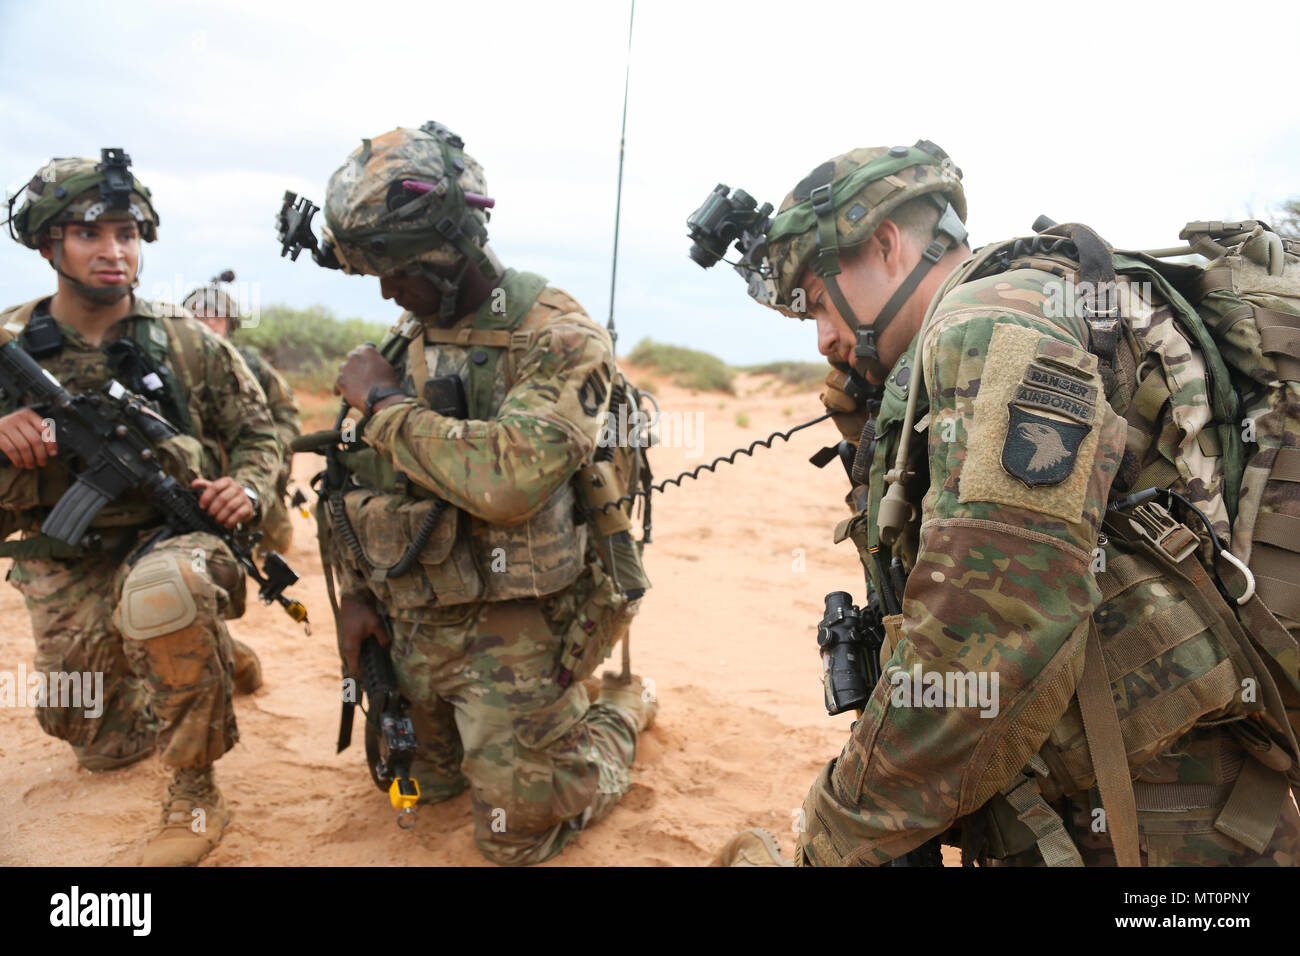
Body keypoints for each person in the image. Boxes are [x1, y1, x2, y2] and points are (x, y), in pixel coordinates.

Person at [711, 141, 1300, 866]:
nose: (825, 338)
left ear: (888, 245)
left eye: (819, 304)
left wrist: (836, 838)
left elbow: (987, 631)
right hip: (1175, 798)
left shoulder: (989, 324)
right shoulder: (1027, 305)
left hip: (1146, 823)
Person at [310, 122, 656, 865]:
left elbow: (510, 482)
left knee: (514, 840)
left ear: (446, 247)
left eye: (395, 267)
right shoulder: (411, 338)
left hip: (519, 633)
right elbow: (356, 489)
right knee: (409, 786)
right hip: (417, 623)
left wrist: (382, 407)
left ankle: (622, 711)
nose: (384, 287)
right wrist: (358, 598)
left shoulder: (558, 336)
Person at [0, 149, 281, 865]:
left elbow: (258, 433)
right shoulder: (8, 343)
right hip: (69, 556)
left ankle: (195, 795)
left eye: (127, 234)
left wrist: (245, 488)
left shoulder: (184, 341)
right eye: (90, 234)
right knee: (95, 737)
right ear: (46, 245)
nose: (113, 251)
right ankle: (216, 657)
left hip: (172, 539)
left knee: (163, 595)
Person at [183, 272, 301, 561]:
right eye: (199, 316)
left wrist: (271, 454)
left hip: (250, 469)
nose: (207, 323)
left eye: (216, 317)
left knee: (273, 546)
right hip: (200, 474)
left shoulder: (250, 367)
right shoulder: (175, 366)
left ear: (229, 324)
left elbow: (286, 415)